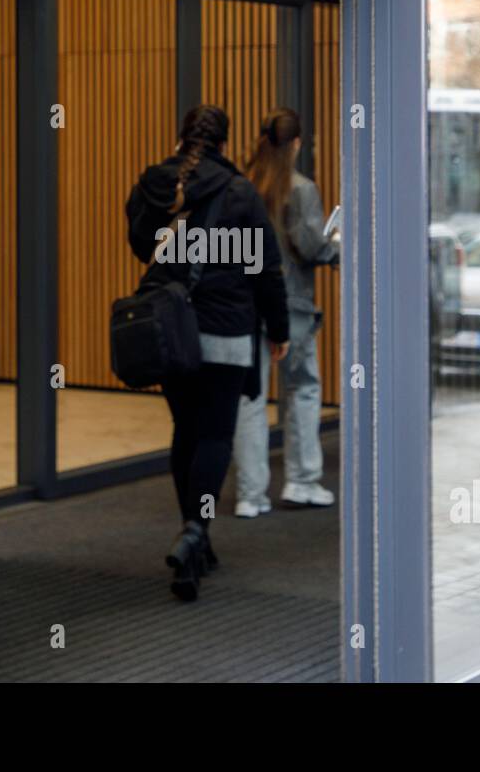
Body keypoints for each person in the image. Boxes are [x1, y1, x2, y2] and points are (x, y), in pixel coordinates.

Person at [125, 105, 290, 601]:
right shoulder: (240, 193)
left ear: (180, 137)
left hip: (170, 329)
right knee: (217, 435)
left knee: (186, 432)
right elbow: (265, 270)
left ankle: (196, 535)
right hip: (226, 330)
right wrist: (279, 329)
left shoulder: (155, 183)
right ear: (224, 142)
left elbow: (138, 244)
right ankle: (197, 528)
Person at [232, 108, 339, 518]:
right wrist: (337, 245)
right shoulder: (301, 189)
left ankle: (250, 495)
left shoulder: (242, 187)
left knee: (250, 398)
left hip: (246, 306)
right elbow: (313, 247)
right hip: (291, 305)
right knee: (302, 388)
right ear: (296, 144)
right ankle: (302, 481)